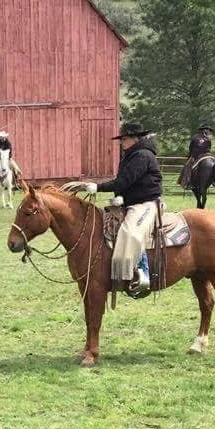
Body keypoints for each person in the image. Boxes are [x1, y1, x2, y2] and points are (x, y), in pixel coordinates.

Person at [69, 123, 163, 298]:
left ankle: (142, 274)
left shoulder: (142, 156)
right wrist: (121, 196)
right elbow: (126, 181)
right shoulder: (132, 154)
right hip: (133, 202)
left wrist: (97, 187)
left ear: (135, 139)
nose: (122, 143)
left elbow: (123, 181)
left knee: (131, 232)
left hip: (146, 203)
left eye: (124, 139)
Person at [180, 125, 214, 190]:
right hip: (205, 155)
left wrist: (189, 155)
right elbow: (209, 148)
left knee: (187, 166)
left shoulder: (194, 137)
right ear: (205, 130)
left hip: (195, 155)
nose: (209, 132)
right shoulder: (208, 138)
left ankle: (187, 182)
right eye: (208, 130)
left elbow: (191, 147)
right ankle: (213, 181)